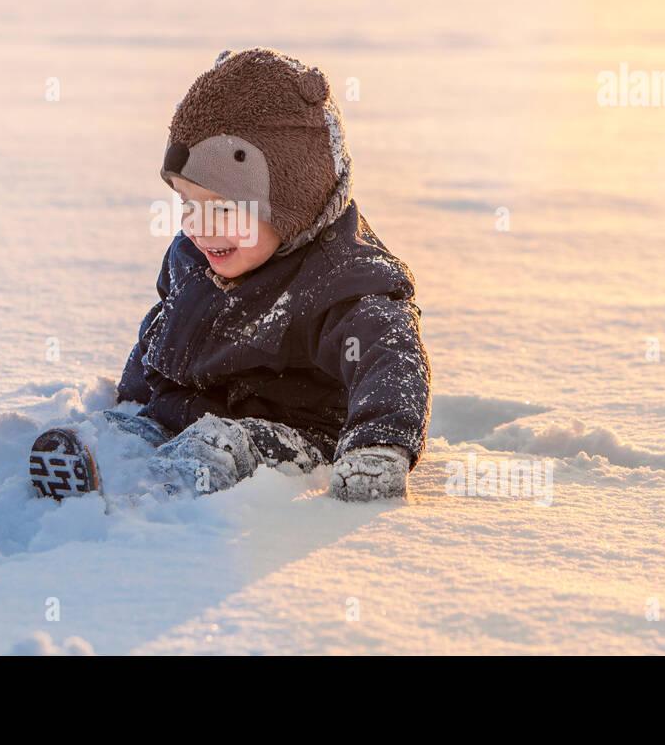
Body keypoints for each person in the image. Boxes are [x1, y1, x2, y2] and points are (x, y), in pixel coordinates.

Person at [92, 46, 431, 502]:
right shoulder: (196, 257)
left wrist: (378, 446)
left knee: (222, 446)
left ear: (292, 204)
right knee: (128, 429)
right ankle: (99, 461)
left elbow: (391, 358)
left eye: (225, 207)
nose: (198, 226)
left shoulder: (341, 279)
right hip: (194, 411)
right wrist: (134, 402)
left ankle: (161, 497)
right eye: (188, 202)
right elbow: (163, 332)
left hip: (299, 434)